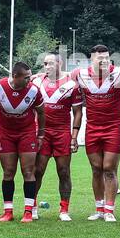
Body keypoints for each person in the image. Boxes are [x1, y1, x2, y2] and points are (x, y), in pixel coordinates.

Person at [0, 61, 46, 222]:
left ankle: (28, 212)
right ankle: (8, 212)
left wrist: (41, 135)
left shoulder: (34, 90)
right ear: (15, 76)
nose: (29, 80)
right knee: (8, 172)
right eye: (26, 77)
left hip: (27, 134)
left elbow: (42, 112)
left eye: (30, 77)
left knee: (28, 172)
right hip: (7, 135)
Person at [76, 45, 120, 222]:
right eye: (100, 58)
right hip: (92, 128)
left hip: (113, 127)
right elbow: (59, 78)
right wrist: (40, 76)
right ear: (92, 59)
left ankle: (109, 210)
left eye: (106, 57)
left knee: (109, 169)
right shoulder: (81, 74)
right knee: (96, 169)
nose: (104, 60)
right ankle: (99, 209)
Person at [32, 52, 83, 222]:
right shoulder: (37, 81)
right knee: (37, 171)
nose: (46, 67)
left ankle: (64, 209)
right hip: (42, 133)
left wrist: (74, 136)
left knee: (63, 171)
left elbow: (77, 112)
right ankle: (32, 206)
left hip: (62, 133)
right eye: (45, 64)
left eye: (50, 63)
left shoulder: (72, 85)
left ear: (59, 64)